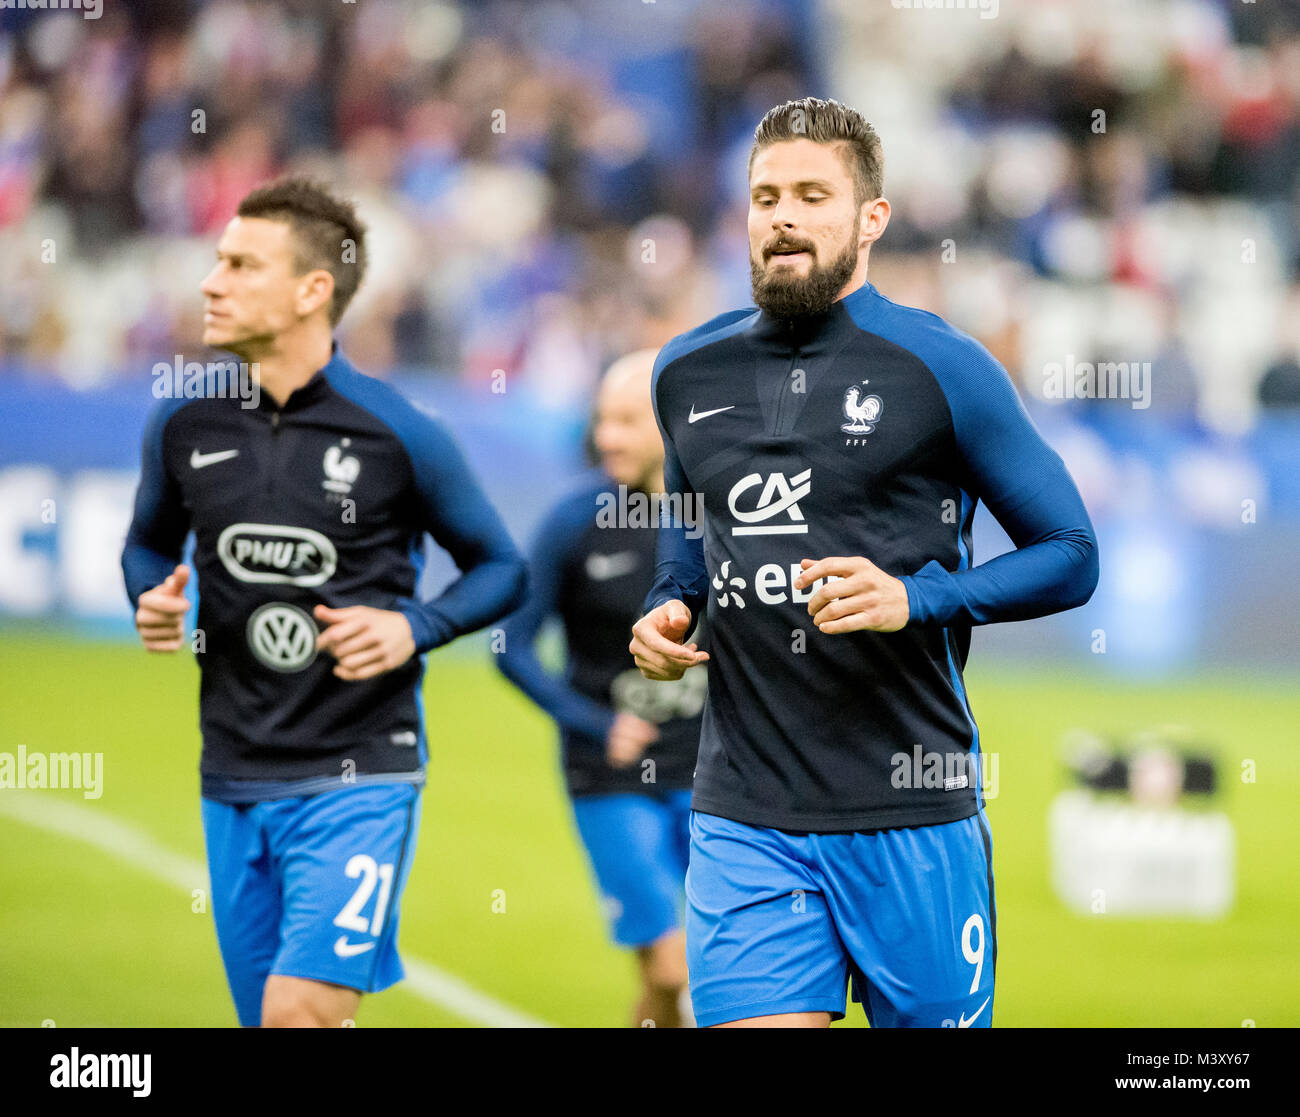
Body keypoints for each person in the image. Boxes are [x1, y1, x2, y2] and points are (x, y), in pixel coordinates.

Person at [630, 98, 1099, 1028]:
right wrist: (667, 605)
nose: (784, 217)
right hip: (745, 813)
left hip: (912, 814)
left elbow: (1071, 554)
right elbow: (689, 532)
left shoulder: (941, 368)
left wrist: (918, 598)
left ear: (870, 218)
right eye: (766, 196)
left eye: (813, 194)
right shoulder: (687, 371)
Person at [121, 177, 526, 1027]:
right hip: (230, 770)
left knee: (298, 1011)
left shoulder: (399, 432)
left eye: (240, 263)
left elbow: (500, 567)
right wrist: (149, 595)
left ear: (312, 290)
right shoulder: (183, 420)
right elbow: (146, 544)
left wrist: (416, 624)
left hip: (360, 773)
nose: (211, 280)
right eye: (217, 260)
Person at [497, 350, 706, 1027]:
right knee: (673, 967)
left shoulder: (719, 521)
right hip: (611, 776)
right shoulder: (574, 522)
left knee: (691, 974)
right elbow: (511, 645)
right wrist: (594, 722)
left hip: (715, 773)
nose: (608, 437)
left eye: (627, 420)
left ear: (670, 423)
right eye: (601, 421)